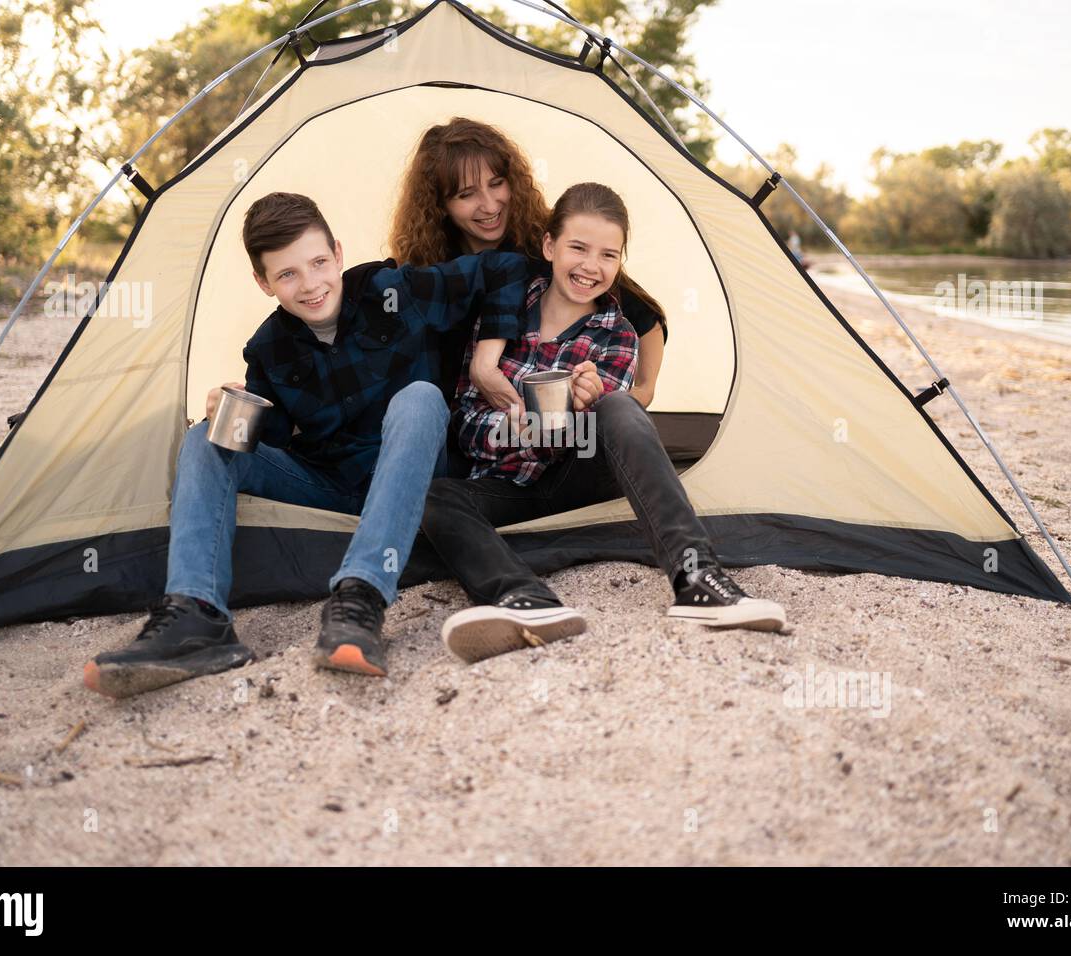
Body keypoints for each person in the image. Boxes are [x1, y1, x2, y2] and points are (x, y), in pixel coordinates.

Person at [82, 191, 527, 697]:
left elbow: (507, 268)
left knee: (421, 396)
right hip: (330, 483)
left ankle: (359, 599)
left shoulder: (394, 288)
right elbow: (264, 444)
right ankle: (196, 616)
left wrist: (484, 362)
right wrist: (227, 409)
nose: (311, 284)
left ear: (337, 253)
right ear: (263, 282)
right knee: (209, 437)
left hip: (417, 475)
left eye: (318, 263)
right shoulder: (268, 348)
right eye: (288, 274)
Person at [420, 183, 788, 665]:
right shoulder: (504, 309)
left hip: (576, 475)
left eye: (608, 255)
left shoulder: (617, 334)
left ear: (619, 262)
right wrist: (510, 427)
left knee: (619, 407)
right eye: (578, 248)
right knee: (434, 495)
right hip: (505, 484)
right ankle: (525, 599)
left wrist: (581, 411)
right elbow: (466, 422)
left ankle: (698, 579)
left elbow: (605, 436)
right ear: (550, 247)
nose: (591, 266)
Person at [388, 117, 667, 412]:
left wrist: (644, 391)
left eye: (497, 184)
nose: (490, 205)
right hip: (462, 421)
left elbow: (646, 319)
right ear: (439, 204)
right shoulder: (433, 265)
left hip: (542, 425)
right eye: (467, 194)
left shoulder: (548, 248)